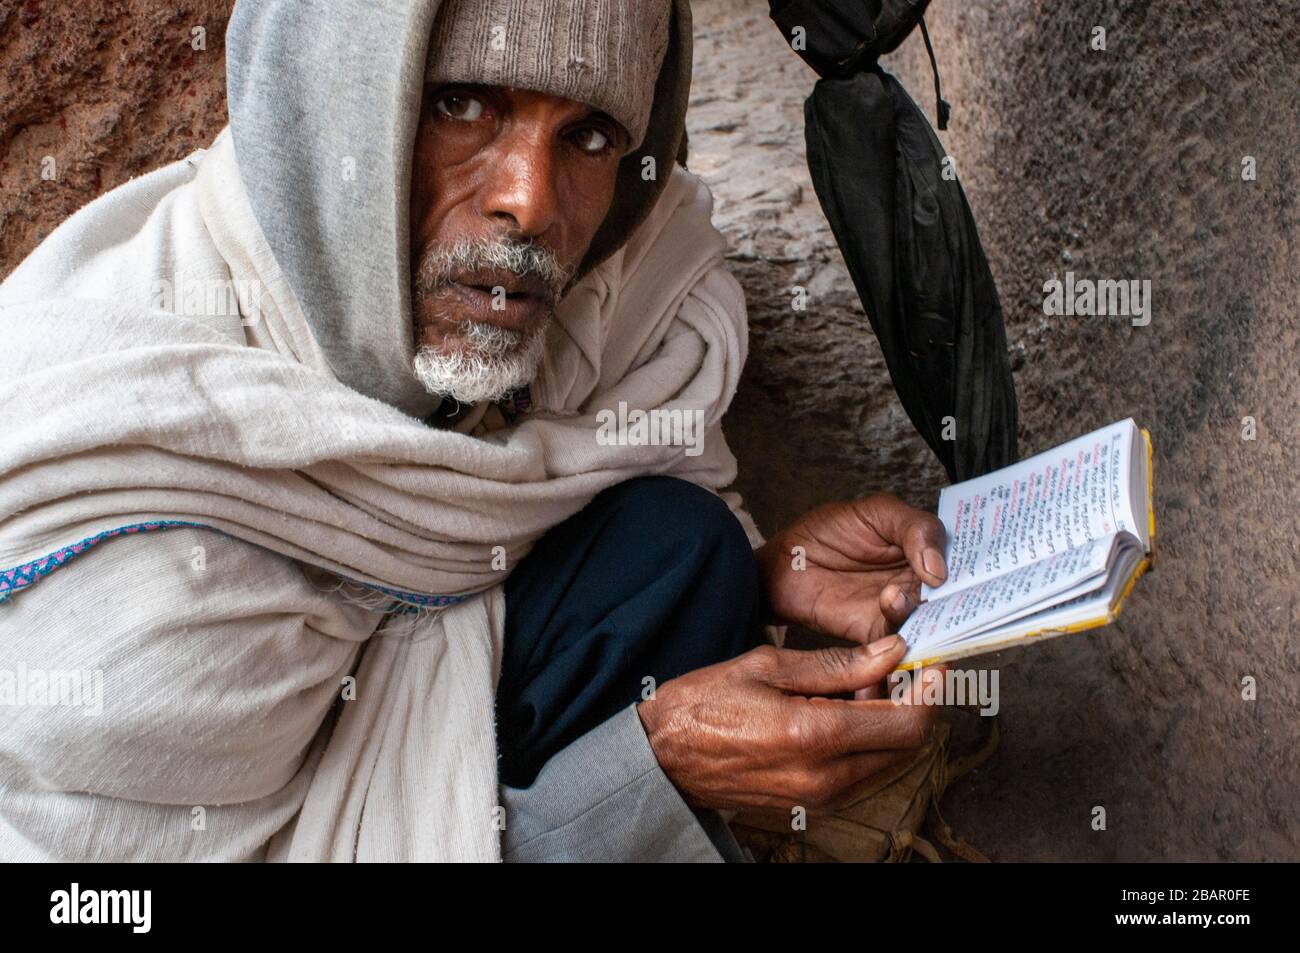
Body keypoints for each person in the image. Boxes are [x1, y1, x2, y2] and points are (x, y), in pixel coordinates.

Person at [0, 0, 946, 862]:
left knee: (684, 552)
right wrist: (644, 771)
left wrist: (763, 569)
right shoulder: (129, 581)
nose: (531, 202)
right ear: (339, 106)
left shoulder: (616, 295)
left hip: (405, 676)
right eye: (462, 105)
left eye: (587, 134)